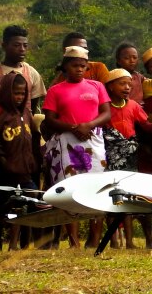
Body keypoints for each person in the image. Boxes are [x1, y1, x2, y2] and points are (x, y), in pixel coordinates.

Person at [43, 45, 111, 247]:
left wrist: (88, 125)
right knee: (68, 188)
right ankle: (74, 241)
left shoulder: (97, 86)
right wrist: (74, 127)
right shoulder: (55, 90)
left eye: (83, 66)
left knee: (97, 187)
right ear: (65, 66)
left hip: (93, 139)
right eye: (75, 65)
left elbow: (106, 113)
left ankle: (94, 239)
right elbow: (50, 119)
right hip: (66, 141)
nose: (79, 69)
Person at [102, 67, 152, 249]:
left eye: (129, 84)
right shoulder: (104, 108)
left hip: (130, 156)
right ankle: (114, 240)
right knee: (110, 195)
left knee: (128, 195)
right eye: (122, 84)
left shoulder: (133, 106)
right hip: (109, 155)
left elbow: (148, 127)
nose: (127, 87)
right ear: (110, 86)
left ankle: (129, 241)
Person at [0, 68, 39, 250]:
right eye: (16, 93)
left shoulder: (26, 114)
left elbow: (35, 138)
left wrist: (35, 161)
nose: (19, 97)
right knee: (1, 207)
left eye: (22, 93)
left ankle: (20, 243)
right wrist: (2, 161)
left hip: (25, 171)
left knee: (29, 201)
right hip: (5, 172)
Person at [0, 25, 46, 114]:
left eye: (25, 46)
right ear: (4, 46)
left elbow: (33, 106)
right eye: (16, 45)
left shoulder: (32, 73)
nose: (22, 49)